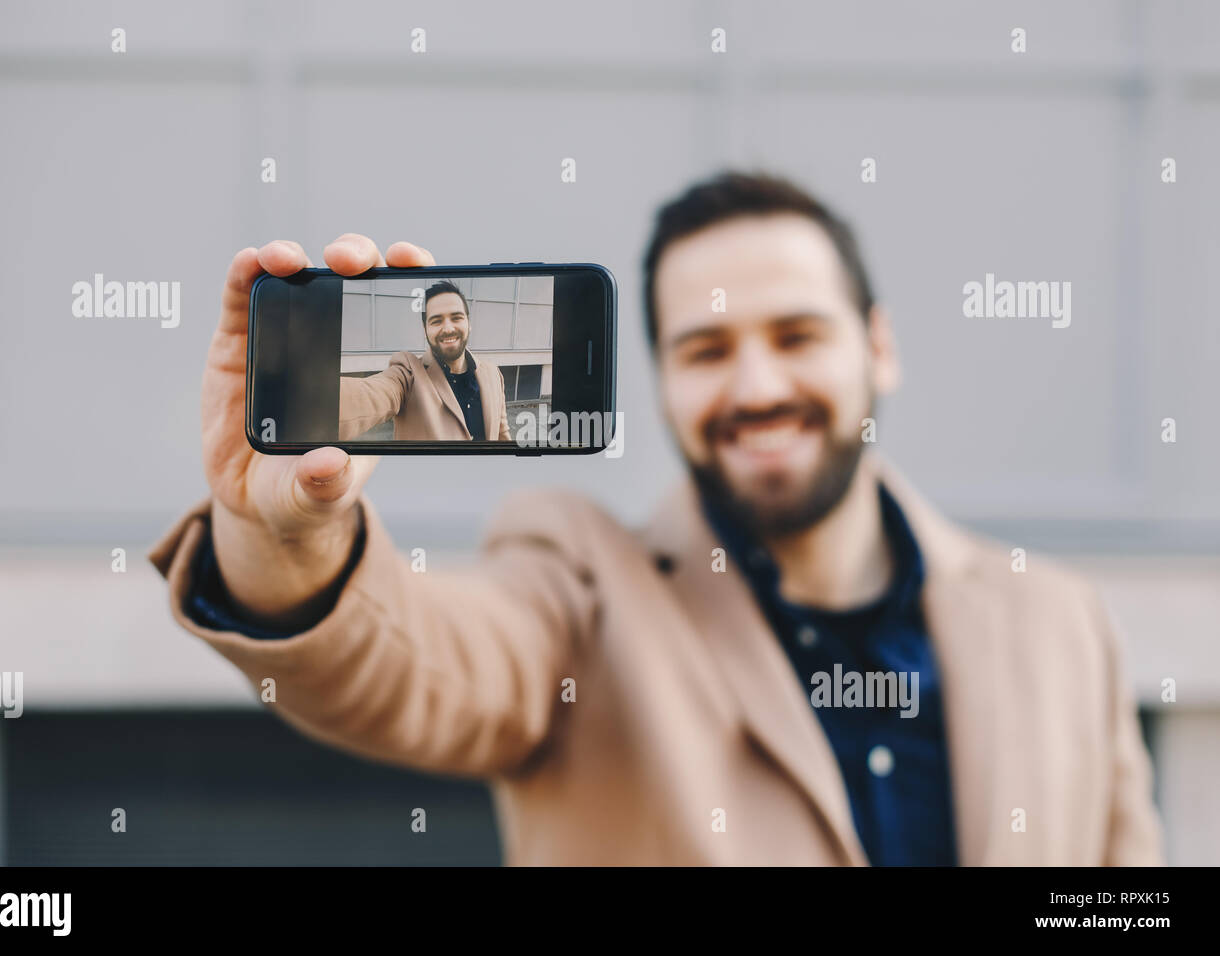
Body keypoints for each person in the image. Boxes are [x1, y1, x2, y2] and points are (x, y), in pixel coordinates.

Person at [149, 173, 1164, 865]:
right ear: (665, 378)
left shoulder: (1061, 622)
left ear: (878, 347)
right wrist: (288, 536)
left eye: (796, 334)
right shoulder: (578, 581)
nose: (757, 384)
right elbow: (422, 668)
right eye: (706, 347)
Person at [338, 279, 511, 441]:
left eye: (457, 317)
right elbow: (373, 393)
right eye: (436, 321)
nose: (448, 328)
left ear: (469, 323)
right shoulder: (408, 374)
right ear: (425, 329)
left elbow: (502, 434)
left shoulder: (493, 374)